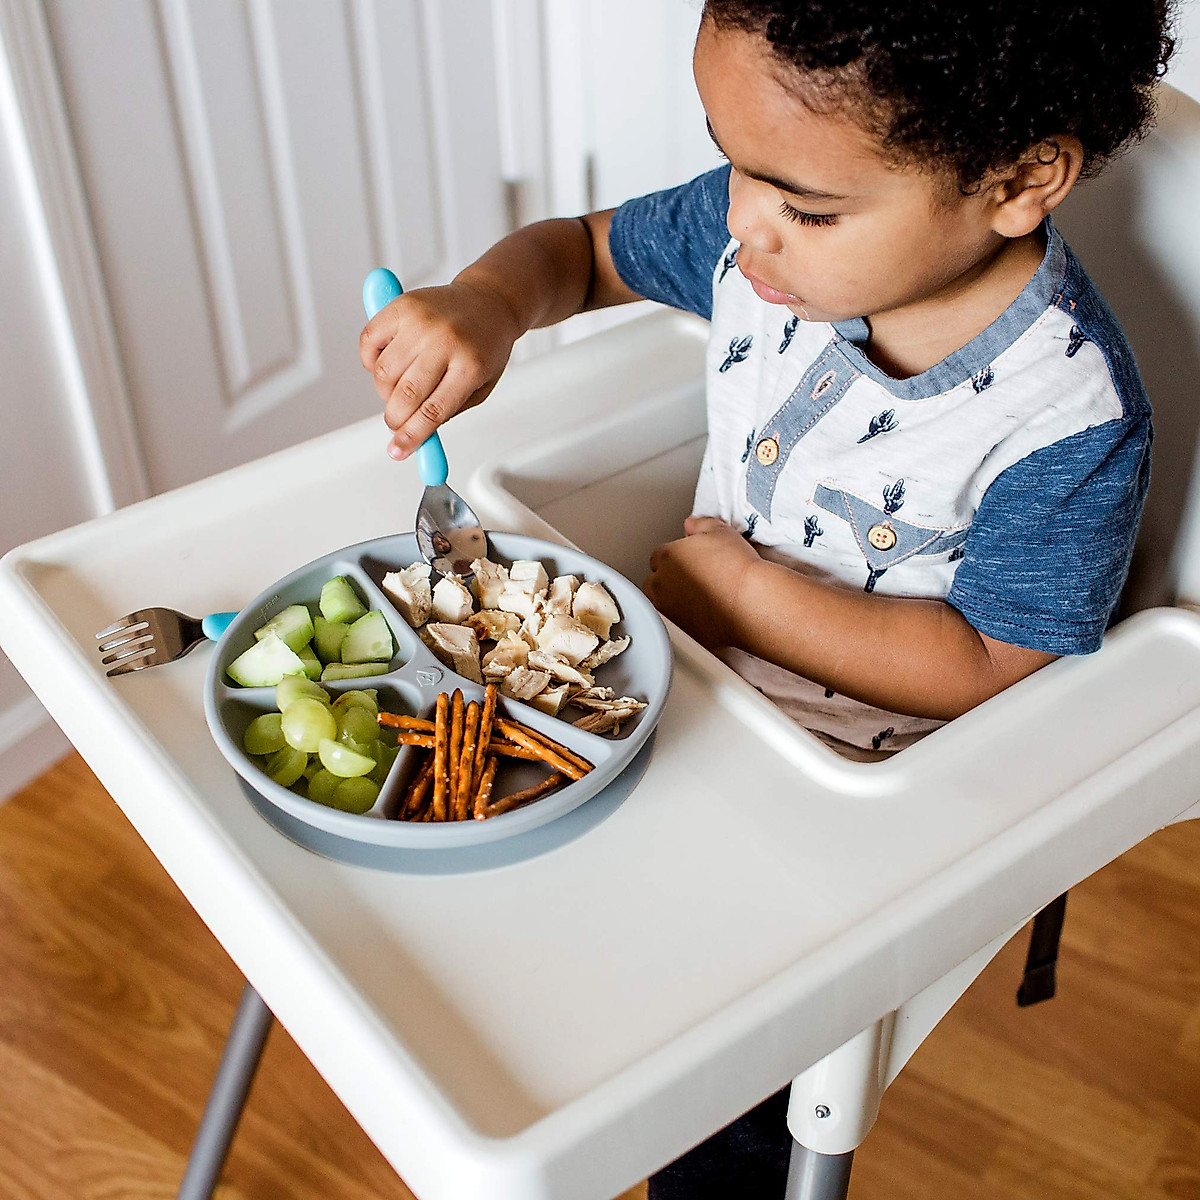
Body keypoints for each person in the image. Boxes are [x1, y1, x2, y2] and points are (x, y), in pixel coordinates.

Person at [362, 0, 1172, 1189]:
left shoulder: (1067, 420)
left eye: (804, 205)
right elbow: (583, 252)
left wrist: (743, 598)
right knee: (455, 940)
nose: (742, 226)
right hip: (658, 689)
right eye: (732, 161)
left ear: (1017, 180)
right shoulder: (767, 234)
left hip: (841, 812)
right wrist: (489, 303)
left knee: (711, 1106)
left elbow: (995, 662)